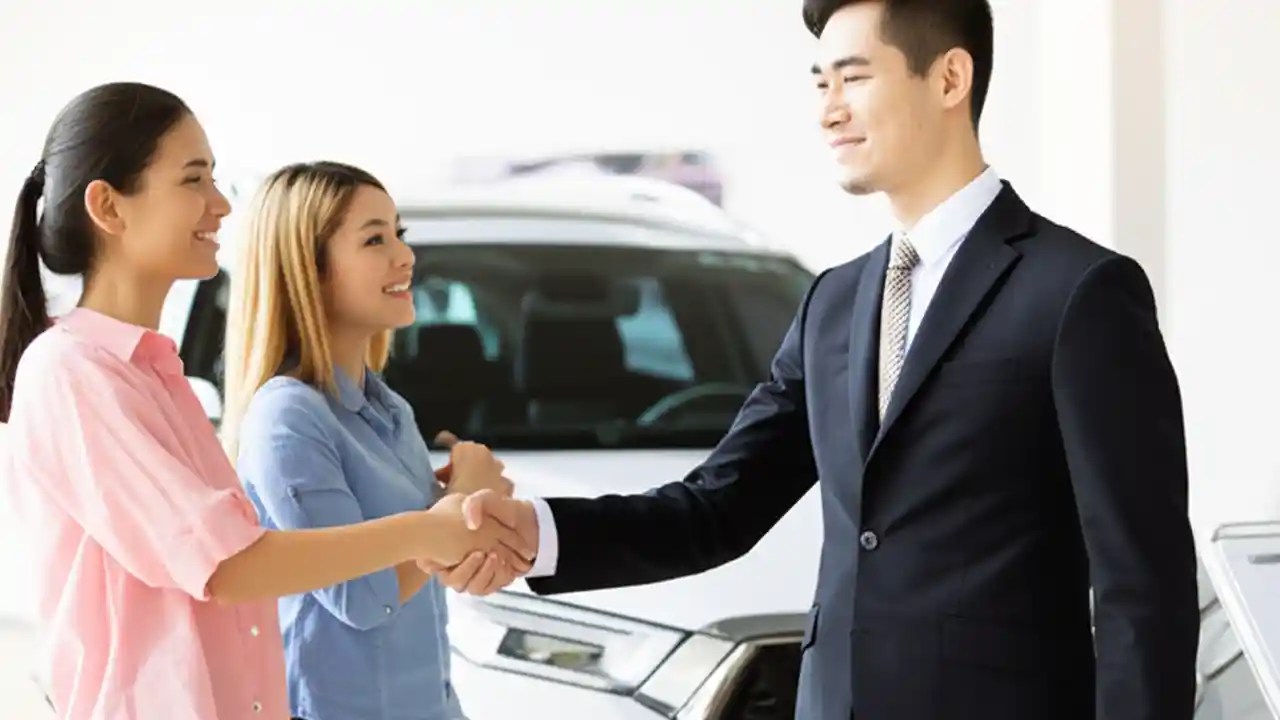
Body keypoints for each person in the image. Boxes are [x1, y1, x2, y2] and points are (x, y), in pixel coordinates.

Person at [463, 2, 1201, 718]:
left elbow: (1144, 582)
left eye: (854, 78)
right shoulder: (834, 302)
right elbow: (720, 506)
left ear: (949, 79)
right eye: (821, 83)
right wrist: (540, 532)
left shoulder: (1078, 292)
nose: (828, 110)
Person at [0, 83, 531, 720]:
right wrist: (434, 522)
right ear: (109, 207)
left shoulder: (155, 374)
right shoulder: (72, 371)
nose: (220, 204)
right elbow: (229, 564)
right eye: (194, 179)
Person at [221, 161, 518, 720]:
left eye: (398, 235)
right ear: (308, 268)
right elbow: (363, 598)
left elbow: (424, 554)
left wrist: (458, 508)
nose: (404, 256)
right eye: (375, 239)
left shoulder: (388, 409)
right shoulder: (288, 416)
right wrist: (460, 503)